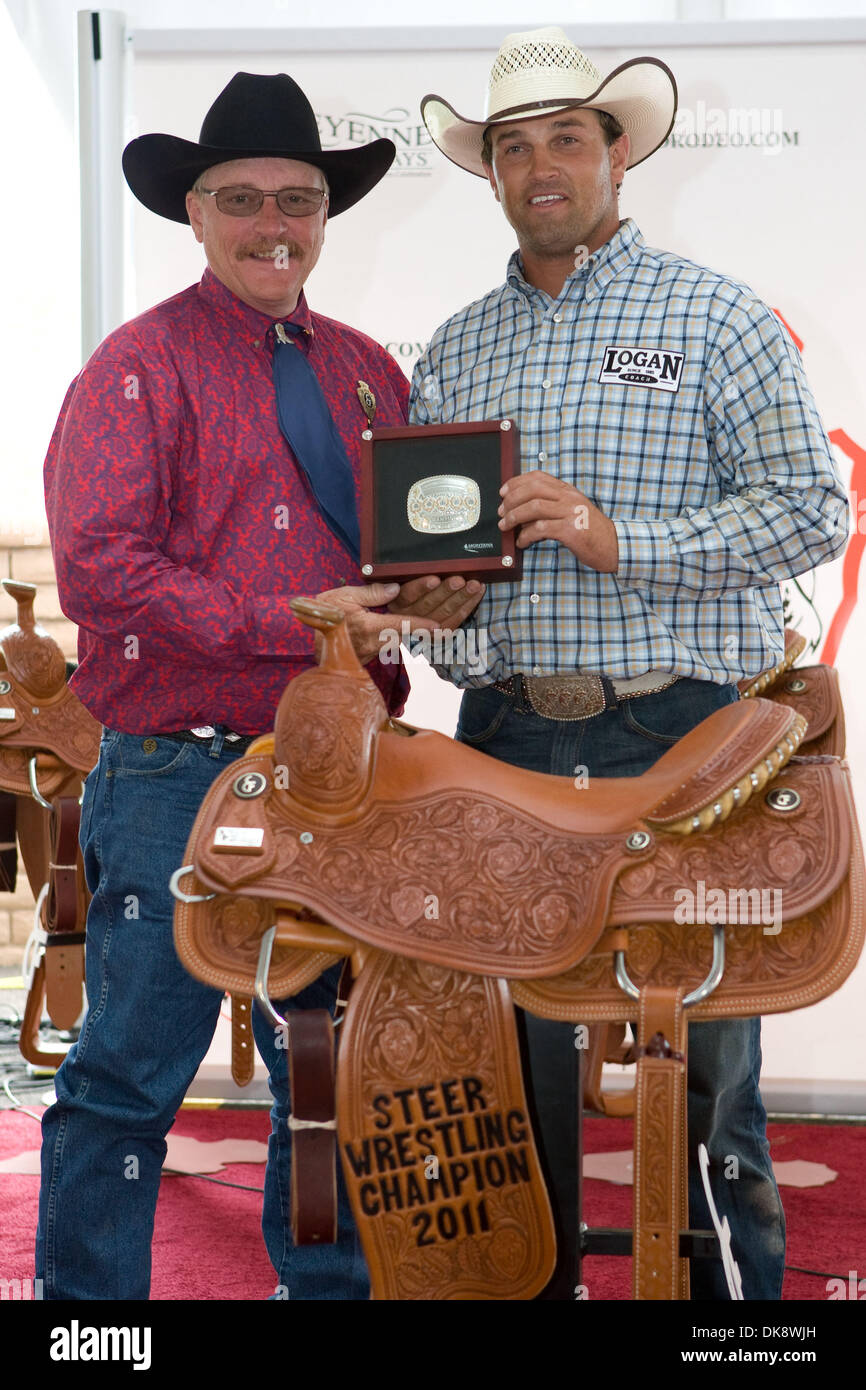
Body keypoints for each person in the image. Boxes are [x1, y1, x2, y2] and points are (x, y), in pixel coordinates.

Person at [408, 26, 848, 1300]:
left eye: (565, 137)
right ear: (489, 172)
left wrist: (617, 540)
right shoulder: (453, 348)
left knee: (709, 1062)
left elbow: (809, 511)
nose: (539, 166)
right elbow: (434, 572)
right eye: (512, 147)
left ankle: (730, 1320)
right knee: (508, 1064)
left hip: (680, 734)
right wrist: (440, 613)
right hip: (503, 734)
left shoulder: (716, 316)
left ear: (616, 154)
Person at [36, 70, 479, 1301]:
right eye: (241, 199)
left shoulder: (366, 372)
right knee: (127, 1073)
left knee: (325, 1074)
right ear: (194, 211)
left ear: (325, 215)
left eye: (297, 199)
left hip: (346, 773)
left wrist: (437, 597)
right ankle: (87, 1324)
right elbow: (99, 569)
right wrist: (287, 619)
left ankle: (323, 1294)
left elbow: (397, 564)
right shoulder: (135, 367)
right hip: (178, 771)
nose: (272, 223)